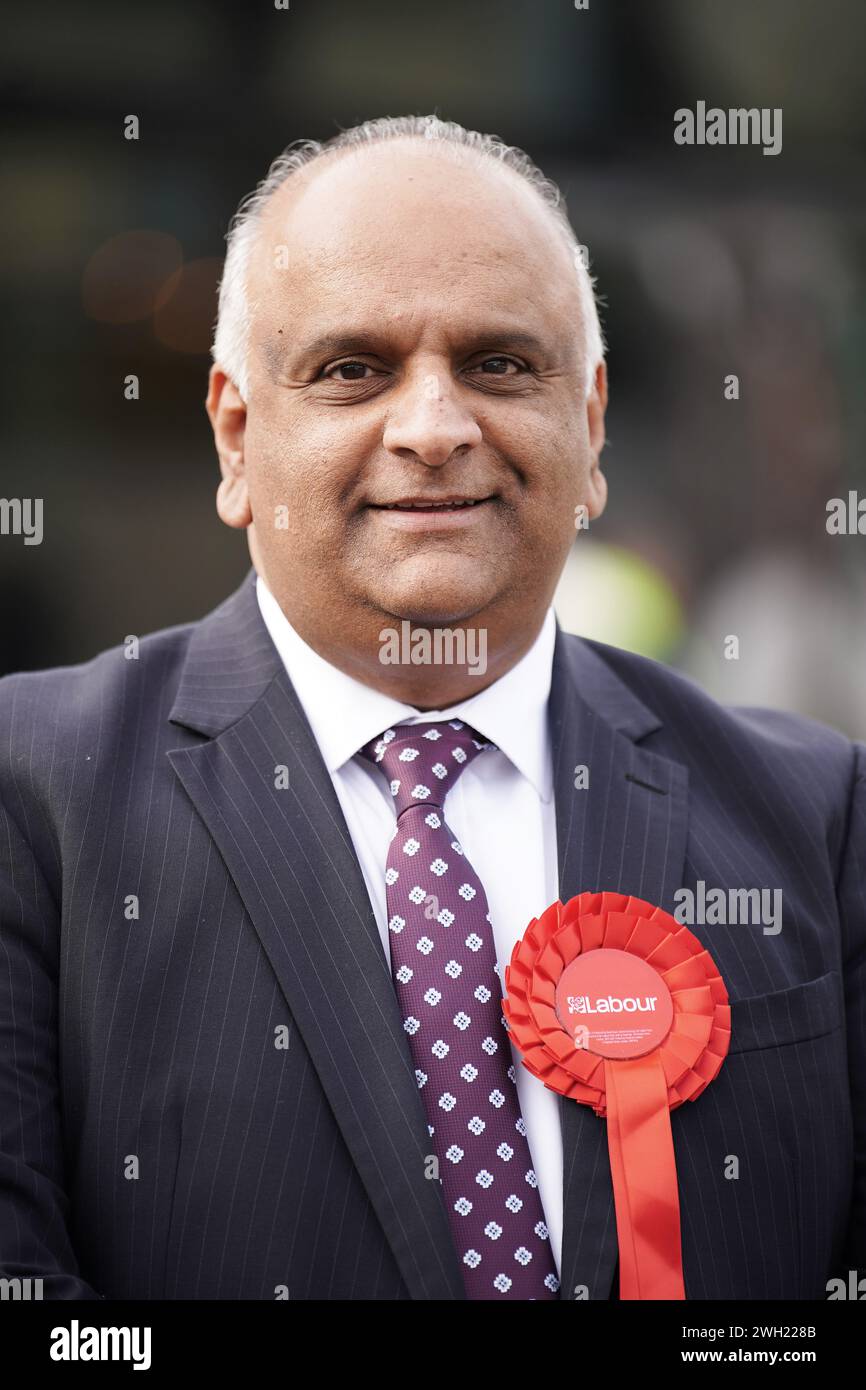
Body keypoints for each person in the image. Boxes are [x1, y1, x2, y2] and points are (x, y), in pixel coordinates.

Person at [0, 115, 862, 1301]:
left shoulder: (815, 815)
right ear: (238, 439)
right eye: (352, 369)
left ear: (593, 427)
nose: (433, 429)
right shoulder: (31, 797)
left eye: (500, 364)